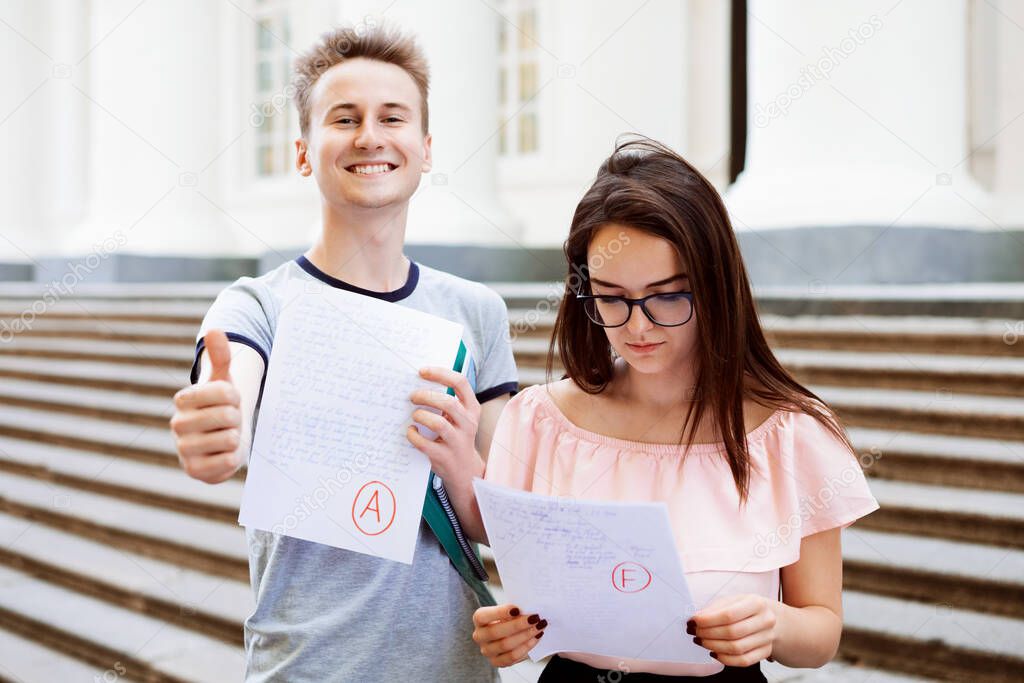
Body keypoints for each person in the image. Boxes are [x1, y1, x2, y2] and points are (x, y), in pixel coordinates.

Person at [169, 23, 516, 682]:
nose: (370, 136)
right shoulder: (255, 305)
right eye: (344, 118)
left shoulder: (478, 314)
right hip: (306, 666)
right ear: (303, 152)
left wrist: (462, 457)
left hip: (455, 669)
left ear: (425, 147)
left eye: (393, 117)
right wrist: (217, 428)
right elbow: (229, 398)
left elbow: (508, 518)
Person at [464, 137, 880, 681]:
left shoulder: (789, 434)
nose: (637, 327)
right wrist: (504, 632)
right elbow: (523, 607)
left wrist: (774, 626)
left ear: (713, 287)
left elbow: (821, 631)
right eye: (611, 296)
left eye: (667, 295)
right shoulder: (540, 421)